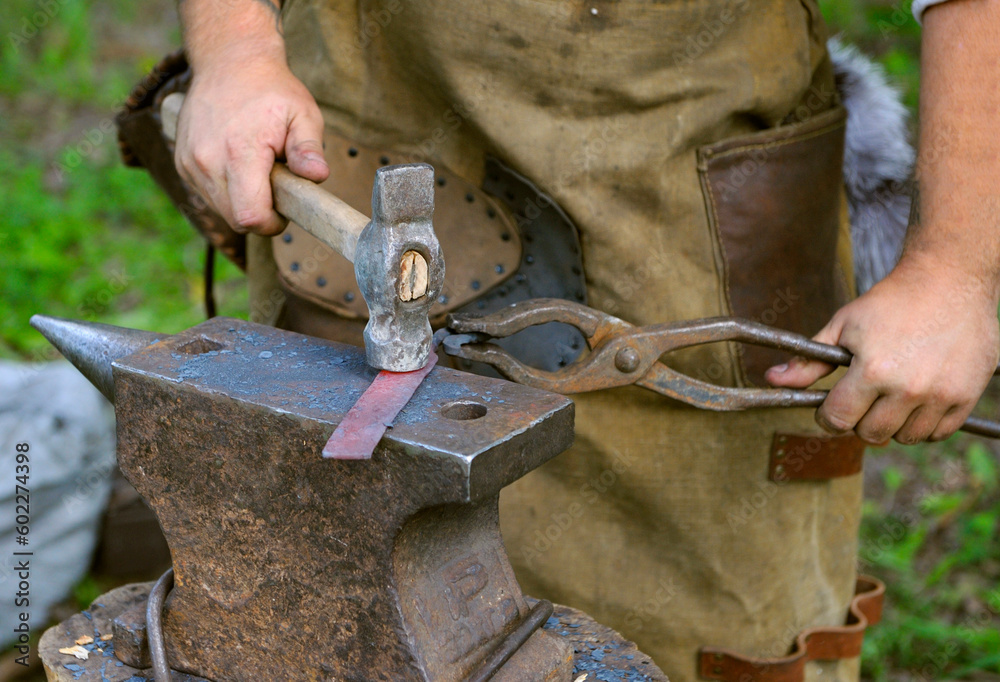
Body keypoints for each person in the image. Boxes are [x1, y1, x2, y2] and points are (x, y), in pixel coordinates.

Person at [170, 1, 1000, 679]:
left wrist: (955, 270)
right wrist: (235, 45)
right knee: (342, 619)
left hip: (688, 206)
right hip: (370, 142)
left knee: (716, 640)